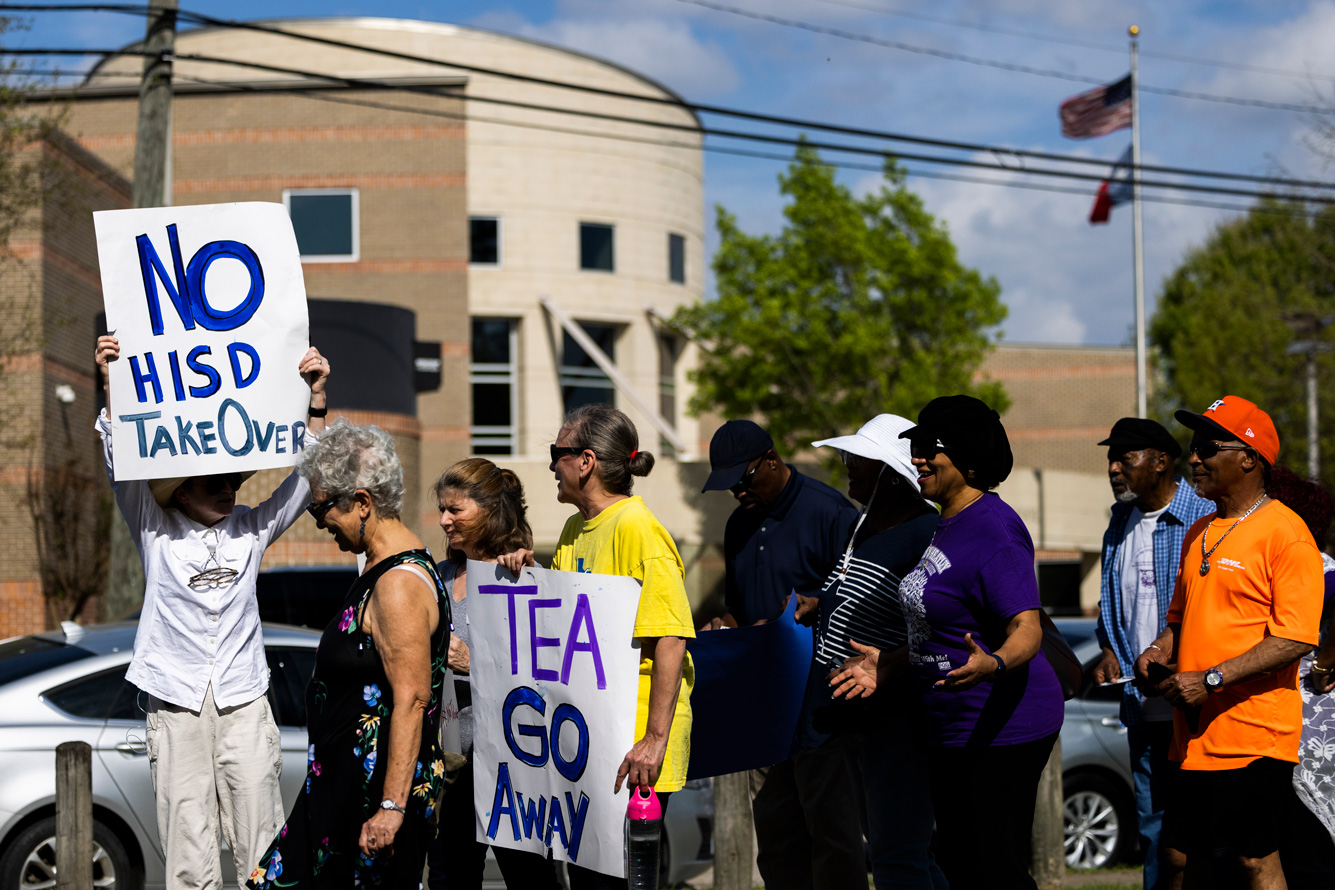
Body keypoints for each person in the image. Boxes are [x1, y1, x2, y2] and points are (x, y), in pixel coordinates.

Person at [94, 334, 330, 890]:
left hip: (243, 696)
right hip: (176, 699)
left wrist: (316, 401)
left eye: (232, 479)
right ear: (179, 491)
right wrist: (112, 383)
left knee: (261, 837)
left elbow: (304, 482)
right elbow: (121, 461)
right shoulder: (153, 527)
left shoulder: (251, 527)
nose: (228, 488)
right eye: (212, 482)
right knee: (187, 844)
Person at [498, 403, 694, 890]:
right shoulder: (573, 530)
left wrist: (654, 740)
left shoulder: (638, 529)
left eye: (557, 452)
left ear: (586, 461)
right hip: (589, 740)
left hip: (633, 746)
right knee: (587, 879)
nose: (551, 464)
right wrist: (529, 577)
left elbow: (670, 636)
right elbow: (567, 622)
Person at [248, 421, 449, 889]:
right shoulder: (379, 570)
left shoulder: (397, 585)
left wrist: (391, 808)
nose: (319, 523)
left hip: (371, 801)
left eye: (321, 508)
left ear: (362, 503)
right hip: (339, 788)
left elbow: (412, 699)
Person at [1136, 395, 1323, 890]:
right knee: (1179, 856)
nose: (1194, 458)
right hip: (1193, 732)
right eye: (1193, 447)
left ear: (1249, 458)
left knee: (1252, 859)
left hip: (1254, 734)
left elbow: (1294, 637)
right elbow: (1179, 620)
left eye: (1208, 448)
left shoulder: (1286, 534)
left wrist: (1213, 679)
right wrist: (1158, 651)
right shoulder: (1200, 531)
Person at [893, 394, 1064, 890]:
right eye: (915, 447)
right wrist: (886, 662)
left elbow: (1027, 627)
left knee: (993, 870)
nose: (917, 458)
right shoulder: (947, 523)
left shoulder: (994, 529)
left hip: (1003, 726)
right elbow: (940, 627)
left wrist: (994, 663)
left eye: (929, 448)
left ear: (965, 457)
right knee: (960, 865)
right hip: (951, 725)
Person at [699, 419, 862, 890]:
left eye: (743, 480)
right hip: (765, 707)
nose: (737, 493)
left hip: (823, 704)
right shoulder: (738, 525)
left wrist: (815, 607)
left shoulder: (831, 512)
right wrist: (723, 627)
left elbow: (862, 601)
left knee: (832, 835)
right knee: (776, 837)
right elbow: (739, 608)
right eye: (728, 486)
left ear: (771, 460)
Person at [808, 414, 943, 890]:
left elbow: (944, 623)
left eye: (858, 459)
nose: (847, 465)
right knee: (896, 851)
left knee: (897, 854)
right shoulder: (863, 526)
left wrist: (891, 664)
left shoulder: (927, 533)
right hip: (852, 719)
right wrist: (817, 602)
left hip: (897, 718)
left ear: (891, 473)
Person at [425, 458, 561, 890]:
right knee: (449, 878)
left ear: (489, 511)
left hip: (510, 767)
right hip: (452, 764)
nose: (444, 520)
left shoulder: (520, 577)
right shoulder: (439, 577)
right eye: (442, 509)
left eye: (455, 510)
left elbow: (545, 675)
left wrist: (473, 663)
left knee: (530, 880)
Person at [1089, 417, 1212, 889]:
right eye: (1110, 460)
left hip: (1198, 704)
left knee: (1204, 831)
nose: (1113, 469)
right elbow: (1112, 603)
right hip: (1141, 709)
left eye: (1125, 458)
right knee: (1154, 828)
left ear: (1161, 461)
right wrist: (1108, 650)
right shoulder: (1119, 522)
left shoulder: (1205, 515)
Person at [1265, 465, 1335, 886]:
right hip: (1291, 722)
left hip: (1315, 725)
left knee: (1310, 848)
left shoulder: (1316, 565)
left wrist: (1325, 661)